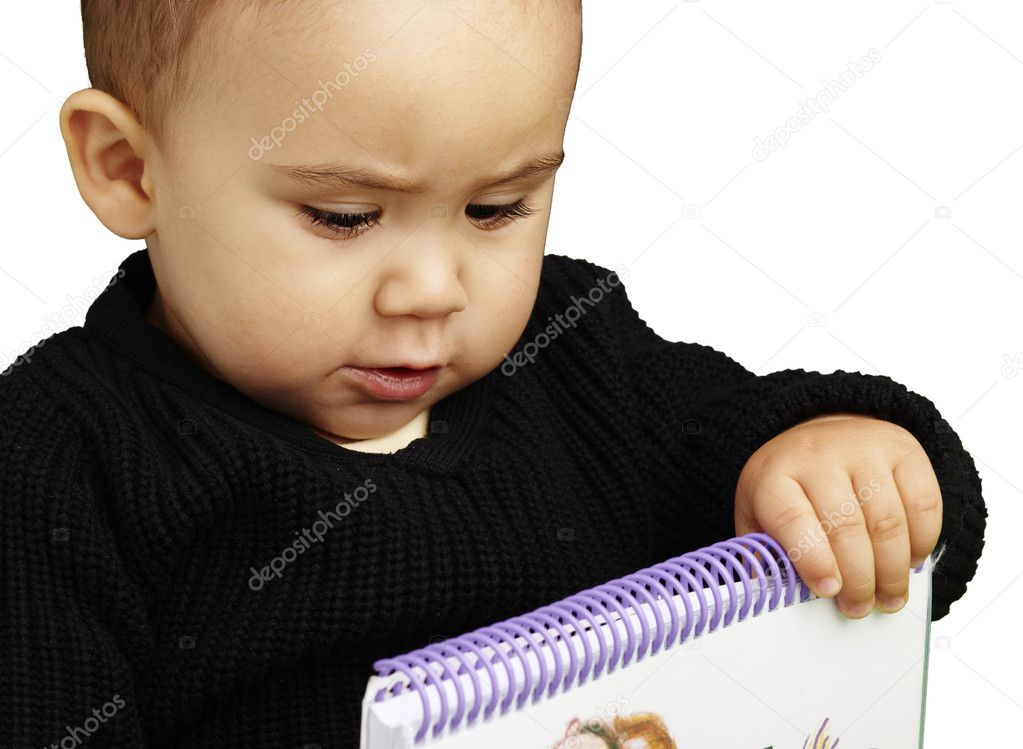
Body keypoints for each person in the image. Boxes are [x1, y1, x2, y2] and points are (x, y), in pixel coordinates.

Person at [0, 1, 985, 746]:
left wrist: (843, 455)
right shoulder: (60, 460)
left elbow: (809, 475)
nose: (433, 290)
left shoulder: (574, 354)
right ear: (130, 170)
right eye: (344, 216)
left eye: (497, 207)